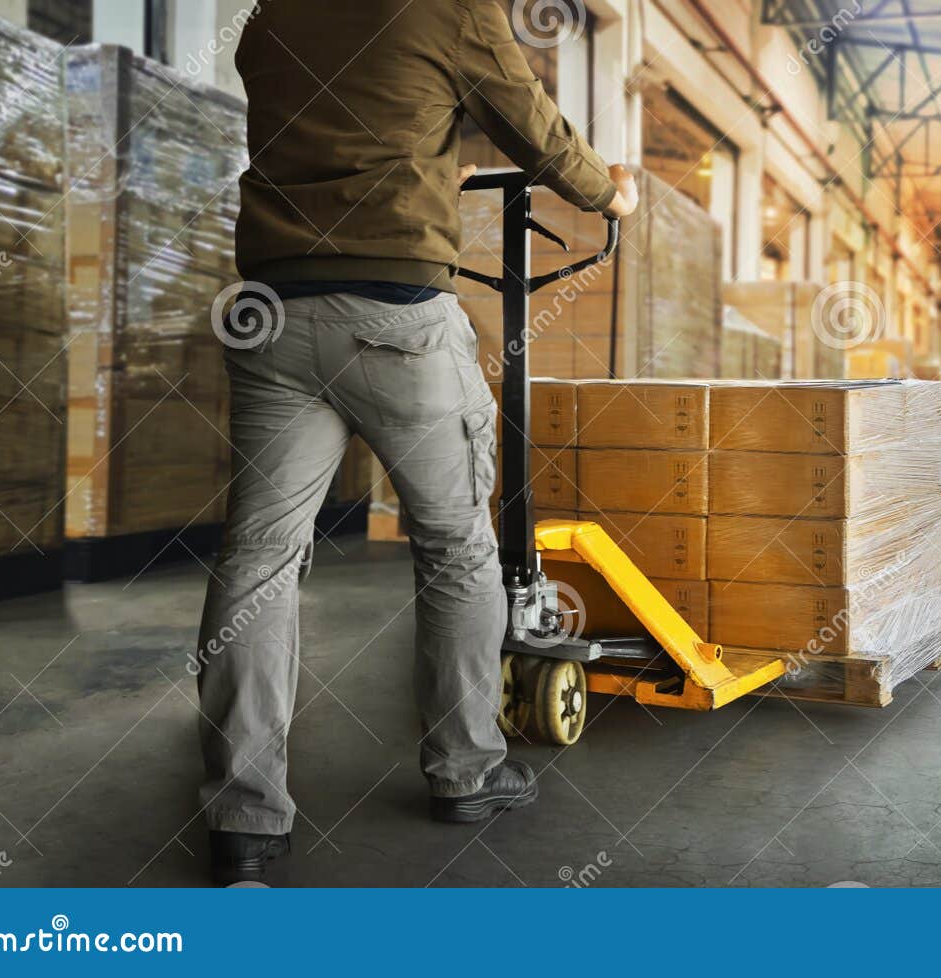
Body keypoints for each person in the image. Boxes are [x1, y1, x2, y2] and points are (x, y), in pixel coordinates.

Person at [194, 0, 639, 886]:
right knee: (455, 546)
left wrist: (427, 152)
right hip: (395, 316)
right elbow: (535, 128)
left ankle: (242, 818)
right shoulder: (450, 8)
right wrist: (610, 191)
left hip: (273, 311)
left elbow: (335, 118)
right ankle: (466, 770)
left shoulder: (271, 19)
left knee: (258, 560)